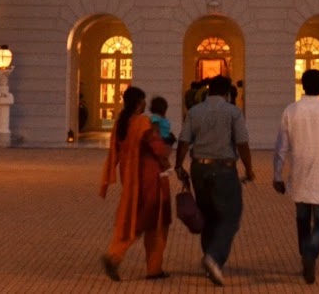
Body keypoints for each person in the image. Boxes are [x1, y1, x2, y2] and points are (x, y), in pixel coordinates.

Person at [272, 69, 319, 284]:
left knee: (302, 220)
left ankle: (306, 255)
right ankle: (310, 252)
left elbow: (281, 147)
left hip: (298, 175)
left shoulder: (291, 111)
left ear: (303, 86)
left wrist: (277, 175)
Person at [176, 75, 254, 286]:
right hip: (223, 170)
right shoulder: (233, 112)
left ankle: (210, 262)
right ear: (227, 93)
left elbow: (183, 141)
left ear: (209, 90)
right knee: (231, 216)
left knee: (208, 215)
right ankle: (214, 258)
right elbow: (242, 143)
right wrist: (249, 169)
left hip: (199, 168)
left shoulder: (194, 111)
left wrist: (179, 166)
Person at [99, 85, 173, 281]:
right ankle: (149, 267)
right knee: (155, 224)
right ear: (139, 103)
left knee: (133, 220)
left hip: (131, 180)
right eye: (143, 101)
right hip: (151, 179)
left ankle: (116, 253)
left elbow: (114, 153)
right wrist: (168, 152)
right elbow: (157, 148)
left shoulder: (120, 124)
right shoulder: (142, 123)